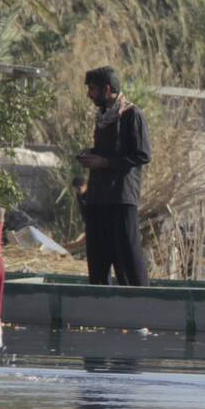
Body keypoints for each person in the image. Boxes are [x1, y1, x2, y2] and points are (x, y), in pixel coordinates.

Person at [77, 67, 151, 286]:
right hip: (99, 197)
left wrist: (105, 162)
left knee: (127, 256)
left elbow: (142, 155)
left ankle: (140, 309)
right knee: (98, 257)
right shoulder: (103, 117)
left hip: (121, 198)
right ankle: (101, 310)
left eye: (92, 89)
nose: (89, 94)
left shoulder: (132, 115)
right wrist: (91, 154)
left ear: (107, 89)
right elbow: (109, 151)